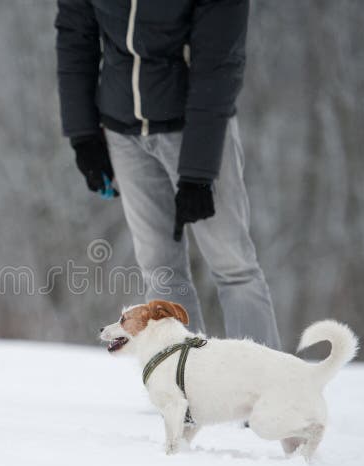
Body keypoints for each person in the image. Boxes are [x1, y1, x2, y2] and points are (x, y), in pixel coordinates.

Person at [55, 0, 281, 348]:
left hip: (197, 128)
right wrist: (83, 135)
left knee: (233, 265)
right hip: (123, 132)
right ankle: (182, 375)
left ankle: (263, 377)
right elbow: (75, 36)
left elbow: (218, 64)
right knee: (160, 271)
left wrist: (198, 172)